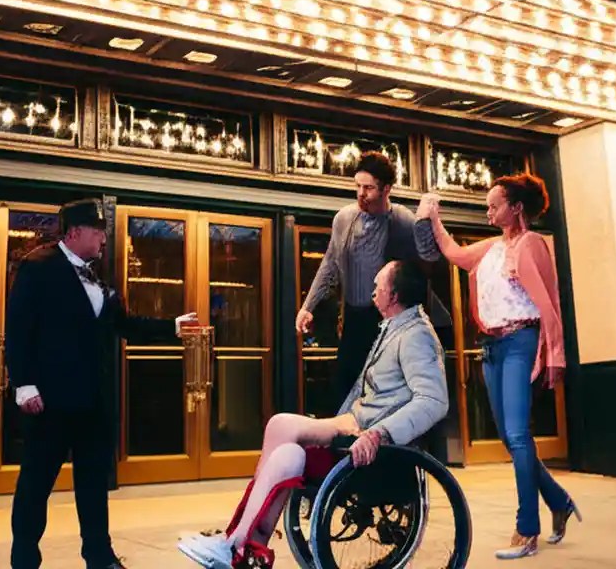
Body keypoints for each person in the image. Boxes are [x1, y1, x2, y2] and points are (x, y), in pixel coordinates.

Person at [179, 260, 449, 569]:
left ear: (394, 295)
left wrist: (380, 433)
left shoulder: (416, 335)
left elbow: (433, 400)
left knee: (289, 457)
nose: (373, 292)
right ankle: (240, 539)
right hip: (353, 425)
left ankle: (239, 545)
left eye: (379, 287)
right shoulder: (397, 327)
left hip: (375, 444)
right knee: (280, 427)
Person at [5, 198, 196, 569]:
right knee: (35, 484)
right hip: (50, 402)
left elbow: (125, 324)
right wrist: (23, 384)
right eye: (98, 232)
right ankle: (24, 556)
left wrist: (172, 326)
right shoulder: (37, 267)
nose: (104, 240)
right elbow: (18, 329)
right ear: (75, 233)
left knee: (93, 485)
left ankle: (99, 556)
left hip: (94, 403)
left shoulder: (98, 275)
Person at [418, 174, 581, 560]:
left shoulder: (532, 245)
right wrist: (433, 218)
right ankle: (559, 501)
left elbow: (549, 306)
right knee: (511, 439)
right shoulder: (492, 248)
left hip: (520, 341)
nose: (488, 211)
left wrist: (555, 355)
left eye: (494, 205)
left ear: (516, 208)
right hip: (491, 346)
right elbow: (455, 255)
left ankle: (527, 530)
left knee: (517, 435)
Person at [296, 151, 448, 409]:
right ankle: (348, 447)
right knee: (345, 388)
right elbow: (330, 264)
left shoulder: (403, 221)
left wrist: (428, 222)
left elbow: (429, 264)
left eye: (368, 188)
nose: (361, 193)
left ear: (386, 189)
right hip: (354, 318)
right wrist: (307, 306)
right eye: (357, 186)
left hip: (390, 320)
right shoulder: (344, 218)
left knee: (385, 392)